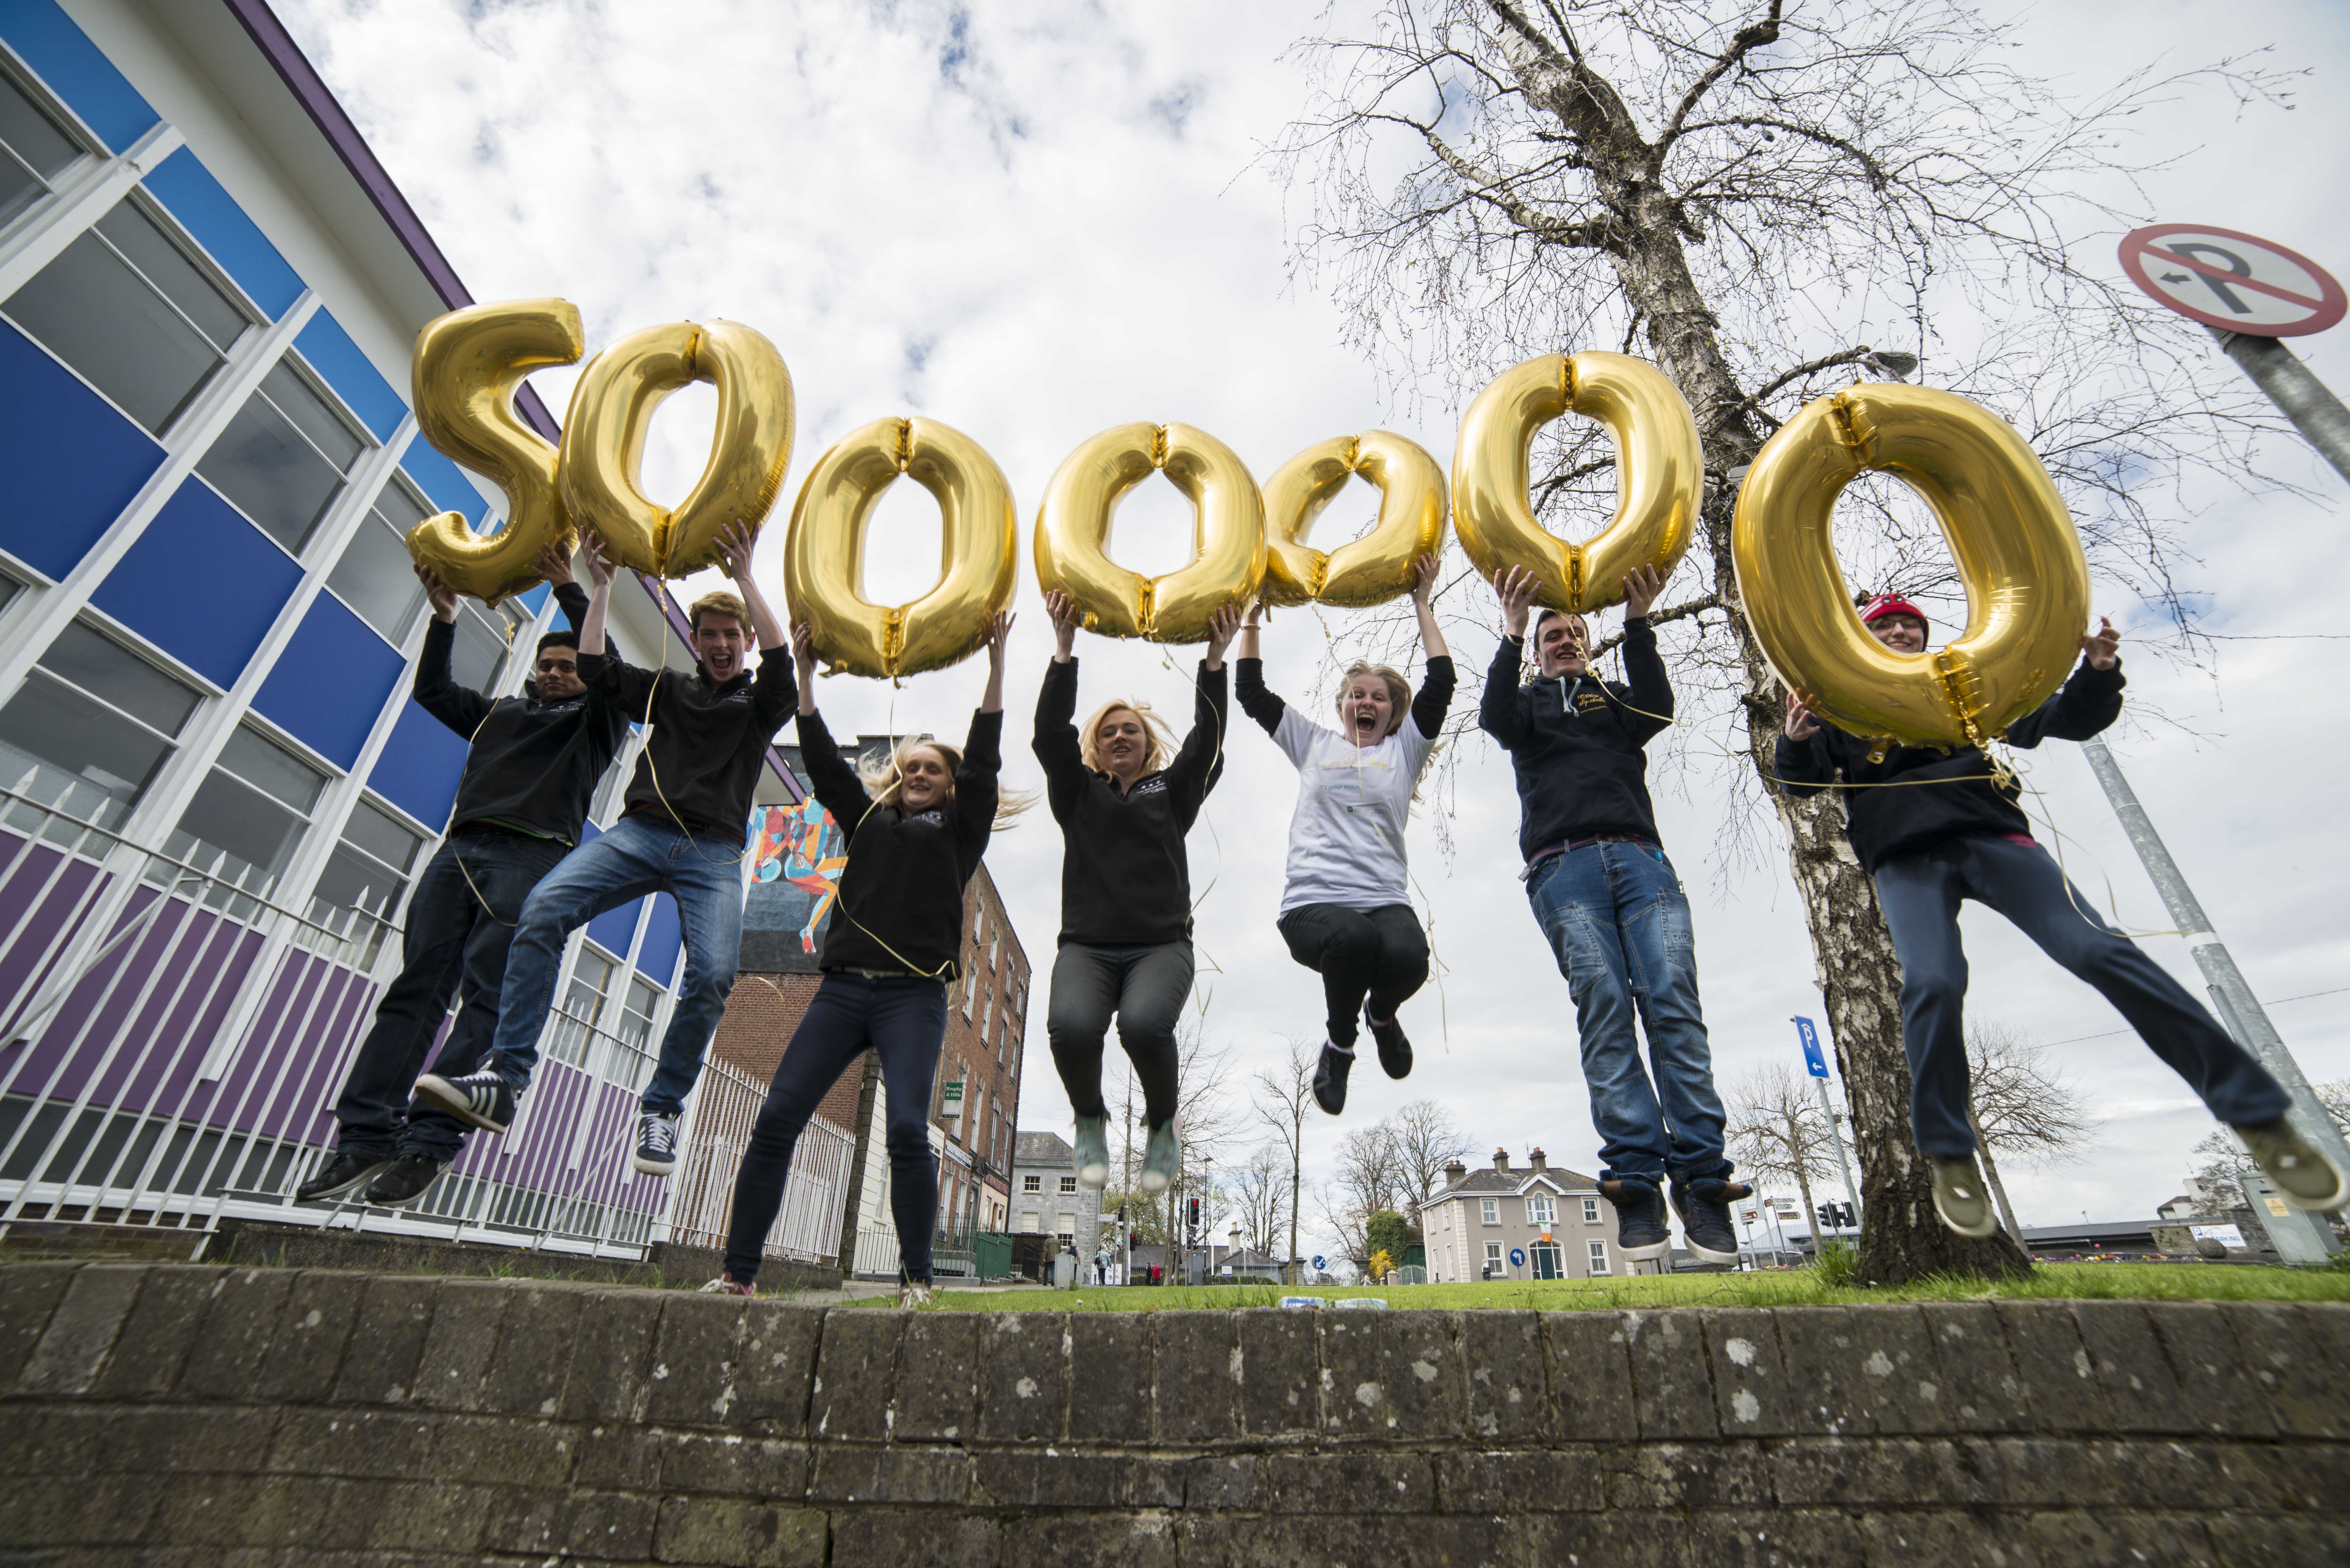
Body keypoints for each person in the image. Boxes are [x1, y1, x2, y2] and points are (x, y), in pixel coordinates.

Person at [1774, 594, 2342, 1231]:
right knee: (1931, 982)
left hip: (1993, 838)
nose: (1901, 630)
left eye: (1911, 623)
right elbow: (1801, 780)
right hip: (1905, 859)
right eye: (1885, 625)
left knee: (2099, 948)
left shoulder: (1959, 686)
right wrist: (1793, 742)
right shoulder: (1844, 700)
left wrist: (2097, 673)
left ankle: (2256, 1115)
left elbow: (2065, 719)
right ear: (1865, 638)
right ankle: (1947, 1152)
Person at [417, 520, 795, 1176]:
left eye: (730, 636)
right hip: (640, 833)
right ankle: (505, 1078)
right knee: (542, 911)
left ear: (743, 644)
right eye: (708, 635)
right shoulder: (669, 688)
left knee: (710, 975)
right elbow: (596, 668)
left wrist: (743, 577)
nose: (720, 645)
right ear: (696, 642)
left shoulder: (760, 701)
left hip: (712, 855)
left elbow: (783, 657)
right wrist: (597, 585)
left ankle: (662, 1108)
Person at [297, 545, 626, 1210]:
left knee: (486, 1000)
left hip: (529, 858)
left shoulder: (596, 723)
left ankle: (429, 1142)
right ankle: (363, 1135)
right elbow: (432, 692)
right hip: (457, 855)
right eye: (548, 664)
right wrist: (443, 618)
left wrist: (573, 586)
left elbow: (607, 668)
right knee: (413, 992)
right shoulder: (500, 714)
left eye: (569, 666)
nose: (558, 672)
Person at [701, 614, 1014, 1306]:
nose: (918, 775)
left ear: (949, 784)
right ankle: (738, 1274)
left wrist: (995, 664)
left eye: (932, 769)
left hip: (913, 998)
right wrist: (807, 678)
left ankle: (915, 1279)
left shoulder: (962, 831)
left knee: (907, 1125)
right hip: (842, 993)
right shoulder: (867, 819)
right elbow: (821, 762)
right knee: (778, 1113)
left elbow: (986, 758)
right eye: (909, 768)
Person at [1480, 563, 1744, 1267]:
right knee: (1603, 1006)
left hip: (1639, 860)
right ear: (1538, 652)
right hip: (1563, 870)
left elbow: (1658, 708)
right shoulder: (1528, 705)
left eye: (1573, 634)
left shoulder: (1615, 700)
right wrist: (1510, 633)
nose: (1564, 642)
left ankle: (1704, 1183)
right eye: (1552, 636)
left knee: (1671, 1005)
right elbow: (1492, 717)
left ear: (1588, 645)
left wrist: (1636, 621)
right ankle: (1634, 1181)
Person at [1036, 592, 1240, 1196]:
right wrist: (1064, 650)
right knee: (1072, 1028)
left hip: (1161, 946)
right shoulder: (1076, 793)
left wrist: (1215, 656)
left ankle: (1161, 1126)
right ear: (1095, 746)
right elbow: (1049, 732)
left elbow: (1208, 736)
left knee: (1145, 1026)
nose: (1120, 736)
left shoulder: (1172, 792)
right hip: (1087, 949)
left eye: (1131, 730)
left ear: (1148, 744)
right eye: (1109, 732)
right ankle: (1090, 1118)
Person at [1234, 554, 1453, 1115]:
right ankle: (1340, 1045)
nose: (1366, 702)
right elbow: (1252, 693)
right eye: (1357, 694)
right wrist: (1253, 623)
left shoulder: (1404, 753)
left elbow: (1442, 681)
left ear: (1392, 713)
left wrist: (1422, 604)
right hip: (1313, 905)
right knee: (1352, 939)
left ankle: (1382, 1015)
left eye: (1378, 697)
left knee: (1407, 957)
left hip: (1384, 900)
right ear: (1341, 706)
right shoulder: (1314, 745)